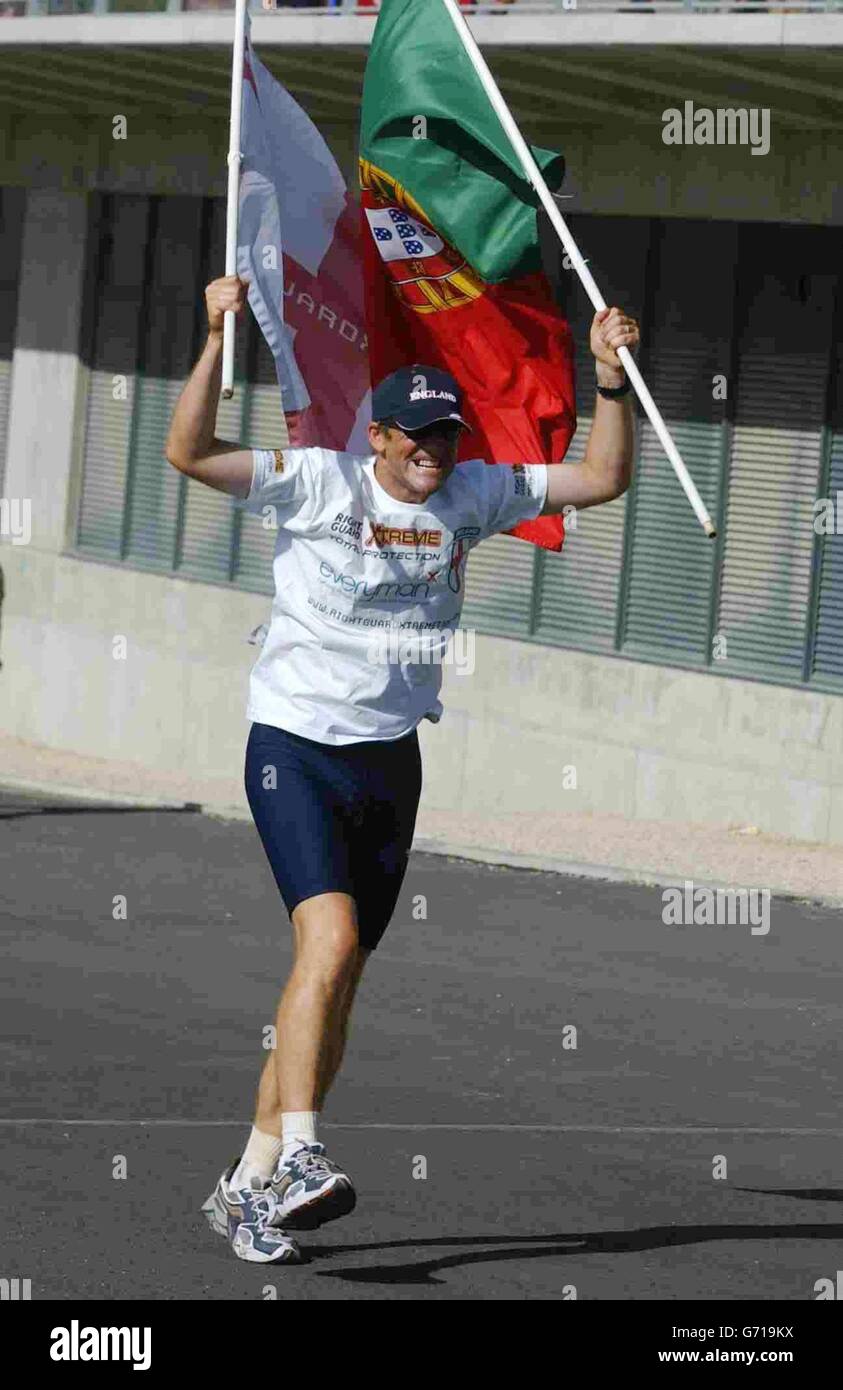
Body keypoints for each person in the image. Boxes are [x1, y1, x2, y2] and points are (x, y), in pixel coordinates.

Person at [166, 273, 639, 1263]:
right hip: (293, 746)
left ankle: (248, 1188)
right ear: (377, 437)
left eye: (448, 437)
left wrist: (611, 382)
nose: (435, 453)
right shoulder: (317, 481)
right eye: (416, 437)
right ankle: (301, 1157)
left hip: (389, 764)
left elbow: (600, 478)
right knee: (326, 940)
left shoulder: (473, 494)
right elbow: (189, 450)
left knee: (332, 981)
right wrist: (216, 338)